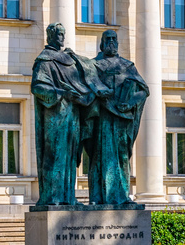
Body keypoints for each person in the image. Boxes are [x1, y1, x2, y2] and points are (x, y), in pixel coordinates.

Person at [30, 23, 96, 207]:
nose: (61, 37)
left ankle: (68, 196)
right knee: (55, 155)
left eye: (63, 34)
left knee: (70, 156)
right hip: (55, 116)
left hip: (72, 115)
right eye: (58, 34)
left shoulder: (69, 59)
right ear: (50, 36)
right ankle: (53, 197)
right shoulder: (45, 60)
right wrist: (62, 93)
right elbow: (38, 87)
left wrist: (81, 97)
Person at [82, 30, 148, 205]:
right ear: (102, 44)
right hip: (101, 117)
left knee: (121, 157)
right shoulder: (93, 65)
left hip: (122, 119)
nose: (111, 42)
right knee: (99, 155)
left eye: (114, 39)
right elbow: (86, 89)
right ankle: (97, 197)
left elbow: (144, 90)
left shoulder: (127, 66)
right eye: (107, 39)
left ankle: (123, 196)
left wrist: (130, 102)